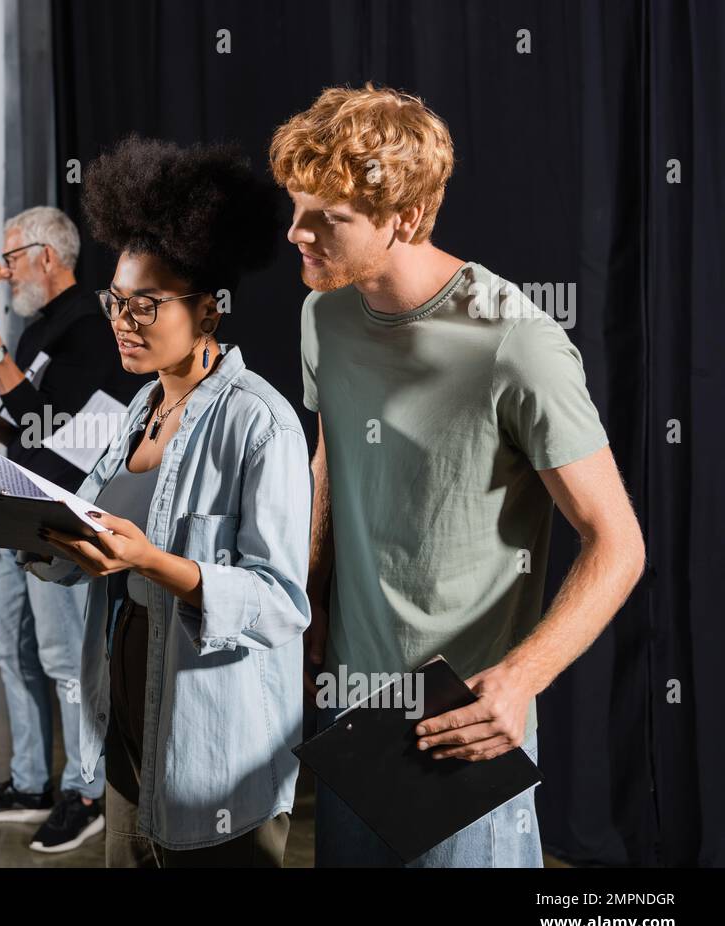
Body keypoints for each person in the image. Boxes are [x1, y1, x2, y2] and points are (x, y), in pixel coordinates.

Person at [268, 84, 647, 866]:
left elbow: (616, 542)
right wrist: (307, 597)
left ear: (404, 217)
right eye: (296, 206)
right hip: (350, 710)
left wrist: (520, 679)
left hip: (463, 724)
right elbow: (334, 456)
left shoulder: (516, 342)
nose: (294, 233)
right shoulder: (325, 315)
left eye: (325, 218)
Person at [29, 135, 312, 867]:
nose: (123, 321)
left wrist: (154, 562)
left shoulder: (260, 423)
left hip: (215, 758)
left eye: (146, 305)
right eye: (116, 301)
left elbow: (281, 601)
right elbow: (88, 534)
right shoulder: (138, 408)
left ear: (210, 311)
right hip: (128, 745)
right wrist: (25, 528)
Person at [0, 206, 144, 853]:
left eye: (10, 259)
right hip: (18, 504)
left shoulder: (89, 324)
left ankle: (84, 791)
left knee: (64, 659)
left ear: (47, 256)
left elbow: (58, 428)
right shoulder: (37, 330)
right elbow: (35, 433)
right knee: (11, 650)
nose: (3, 273)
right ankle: (31, 782)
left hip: (59, 518)